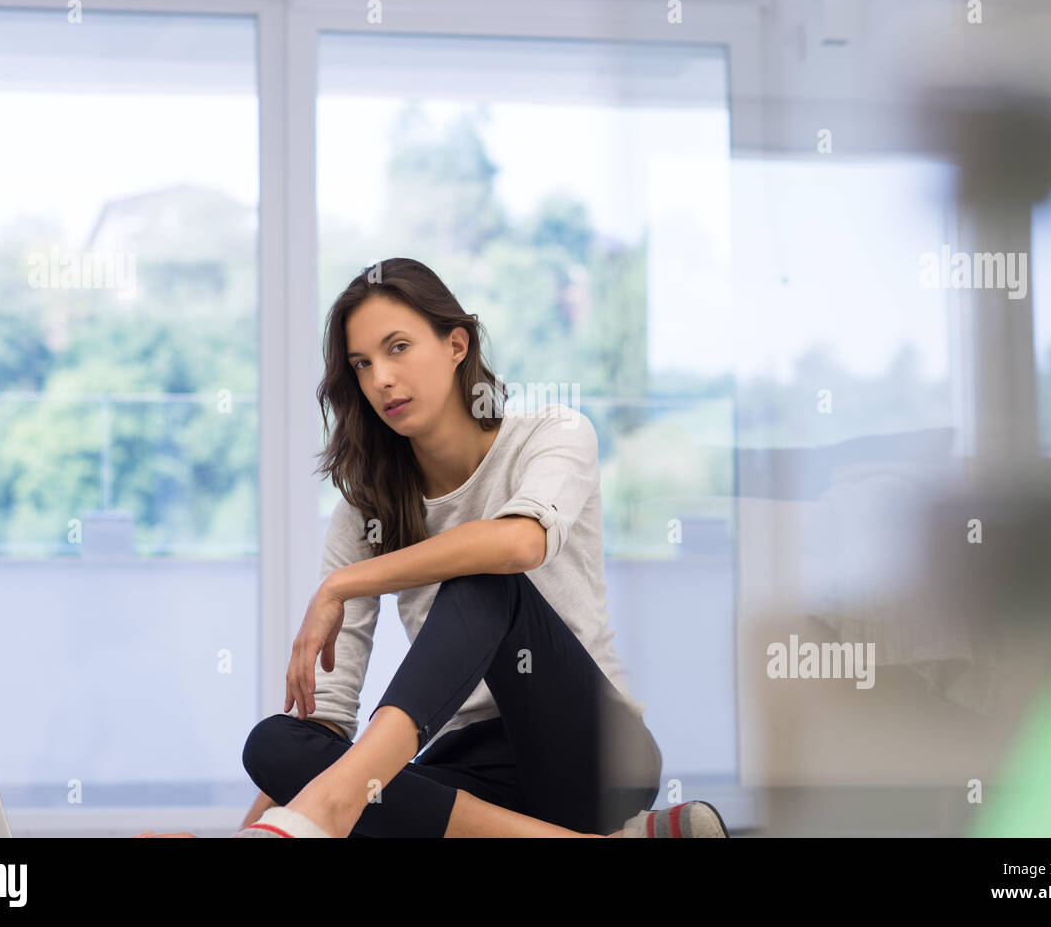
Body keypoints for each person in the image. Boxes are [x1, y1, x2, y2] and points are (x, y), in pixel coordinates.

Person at [139, 257, 726, 838]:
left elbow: (519, 544)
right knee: (274, 744)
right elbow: (332, 715)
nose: (380, 380)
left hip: (591, 755)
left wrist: (341, 585)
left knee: (483, 576)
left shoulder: (555, 435)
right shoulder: (365, 509)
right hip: (469, 778)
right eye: (362, 365)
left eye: (398, 348)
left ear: (456, 345)